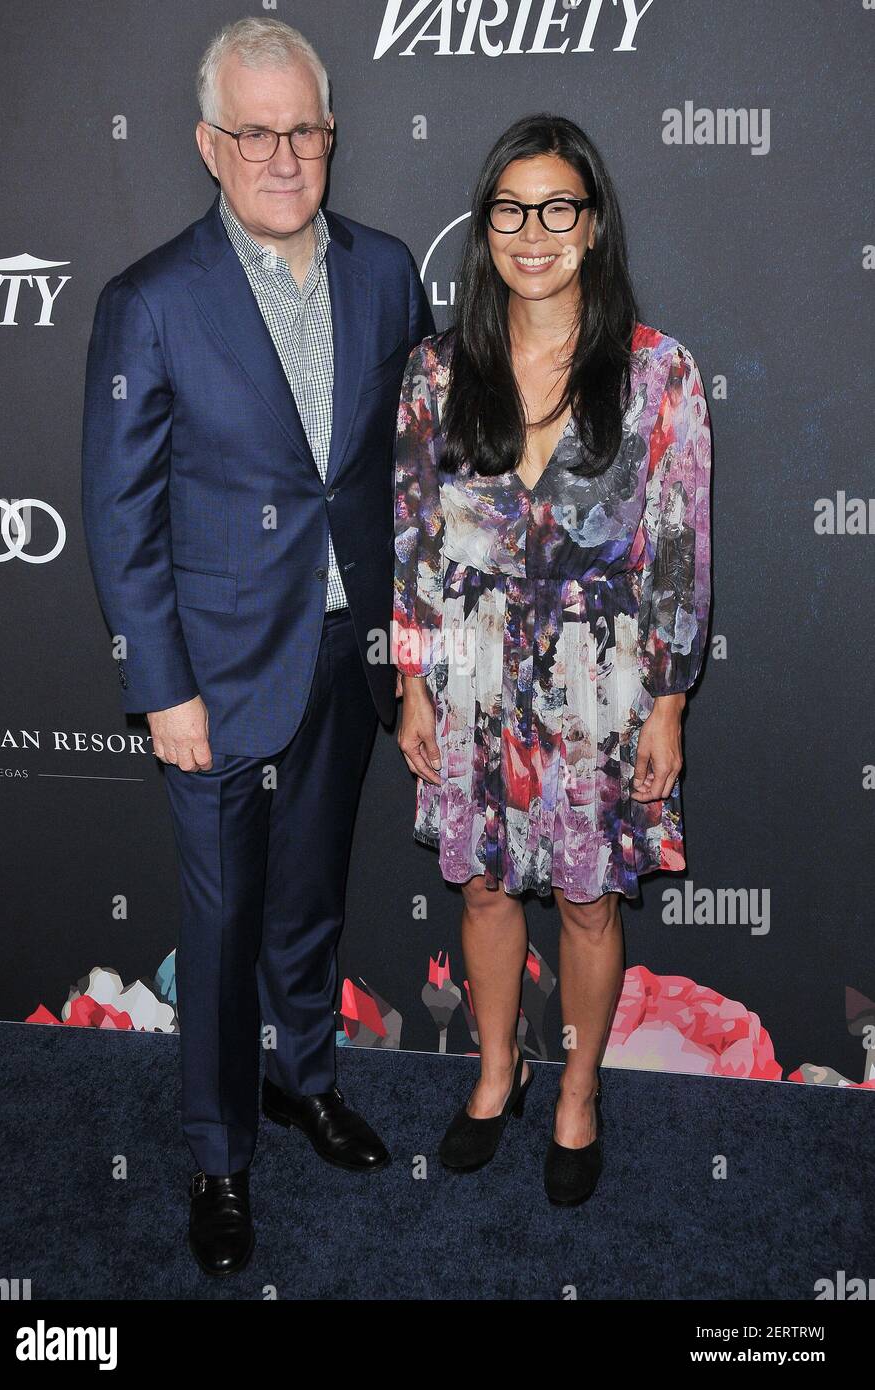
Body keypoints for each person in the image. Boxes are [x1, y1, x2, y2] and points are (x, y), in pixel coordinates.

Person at [81, 15, 434, 1275]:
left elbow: (399, 476)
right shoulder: (152, 302)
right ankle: (220, 1154)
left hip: (349, 656)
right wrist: (161, 687)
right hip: (216, 677)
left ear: (331, 137)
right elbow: (119, 520)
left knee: (309, 900)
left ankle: (306, 1080)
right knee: (223, 925)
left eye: (305, 130)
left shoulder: (389, 272)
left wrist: (402, 648)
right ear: (208, 145)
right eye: (256, 132)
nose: (284, 156)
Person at [393, 113, 712, 1206]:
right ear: (485, 229)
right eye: (510, 210)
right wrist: (411, 685)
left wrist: (667, 704)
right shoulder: (439, 371)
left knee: (586, 902)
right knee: (482, 890)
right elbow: (413, 543)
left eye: (557, 207)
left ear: (592, 224)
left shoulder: (659, 373)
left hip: (600, 687)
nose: (533, 231)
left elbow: (678, 548)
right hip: (472, 679)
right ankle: (495, 1074)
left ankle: (578, 1090)